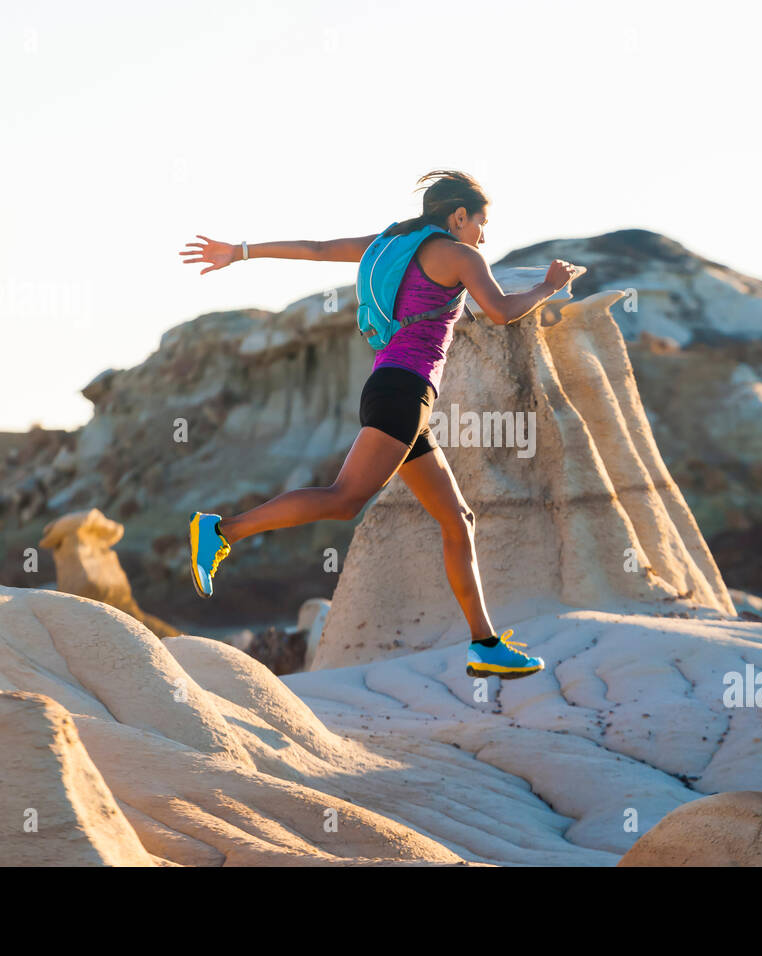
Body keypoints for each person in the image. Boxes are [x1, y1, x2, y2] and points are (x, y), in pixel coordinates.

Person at [178, 170, 580, 679]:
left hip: (393, 391)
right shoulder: (461, 255)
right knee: (344, 499)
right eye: (482, 221)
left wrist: (241, 251)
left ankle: (485, 644)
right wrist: (550, 285)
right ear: (459, 216)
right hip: (404, 393)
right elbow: (499, 311)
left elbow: (320, 249)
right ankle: (223, 530)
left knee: (458, 520)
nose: (484, 233)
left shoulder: (391, 242)